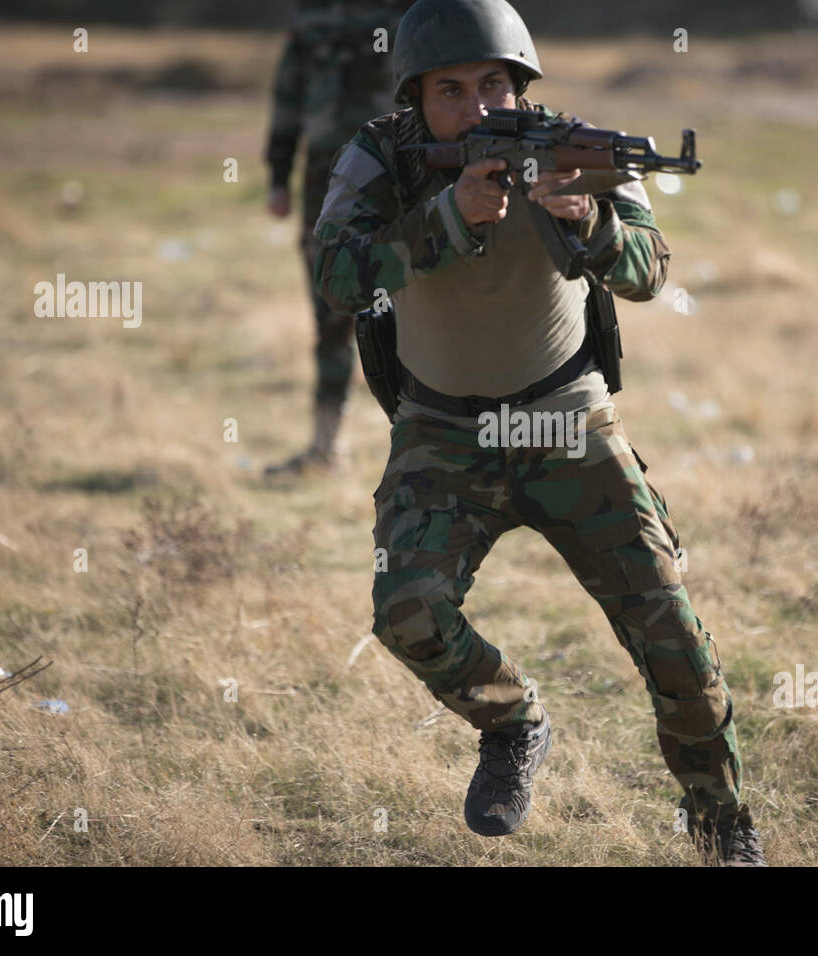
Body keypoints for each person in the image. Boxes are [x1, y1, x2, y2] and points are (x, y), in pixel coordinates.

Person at [311, 0, 766, 866]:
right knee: (406, 611)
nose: (479, 109)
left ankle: (720, 817)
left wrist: (585, 223)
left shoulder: (578, 149)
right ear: (417, 101)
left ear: (523, 84)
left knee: (669, 630)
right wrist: (448, 218)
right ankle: (515, 724)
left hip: (568, 416)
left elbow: (650, 271)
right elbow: (336, 271)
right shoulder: (383, 156)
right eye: (452, 91)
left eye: (495, 85)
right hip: (441, 430)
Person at [262, 0, 406, 475]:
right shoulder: (312, 15)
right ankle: (326, 447)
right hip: (325, 175)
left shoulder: (415, 11)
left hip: (401, 173)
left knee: (410, 311)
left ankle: (424, 449)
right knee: (329, 312)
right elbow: (288, 92)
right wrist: (279, 175)